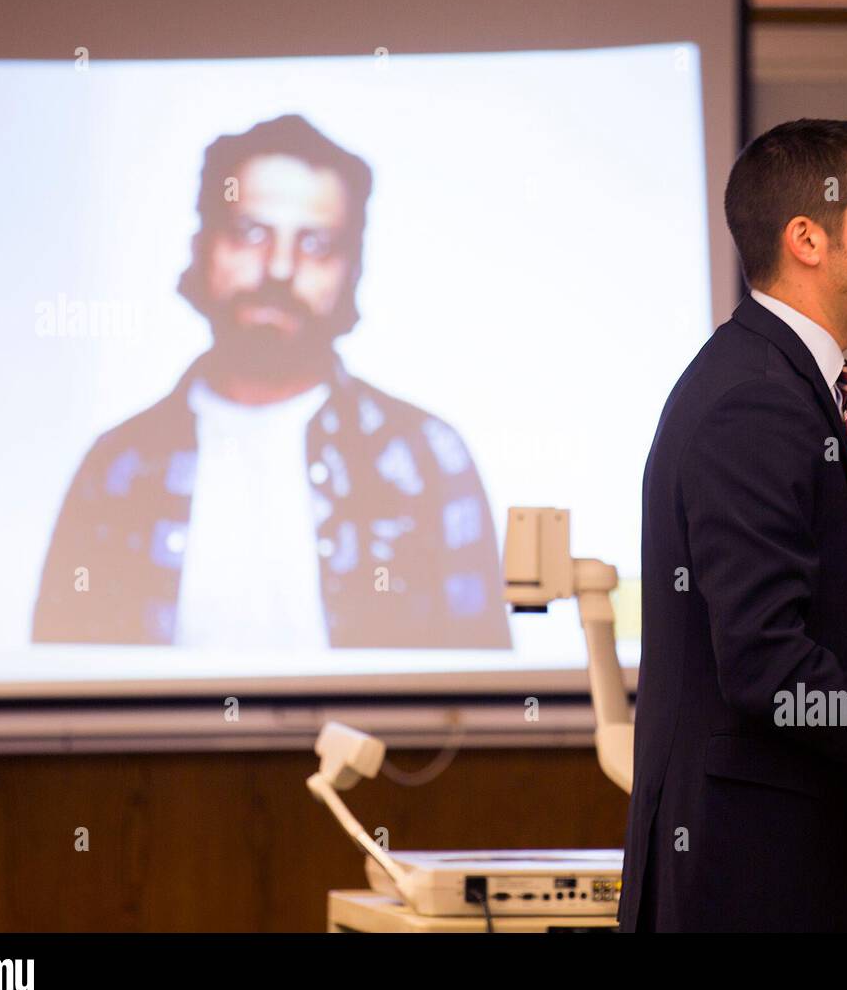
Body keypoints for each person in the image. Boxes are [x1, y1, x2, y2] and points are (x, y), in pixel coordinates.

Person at [618, 119, 847, 933]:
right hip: (746, 888)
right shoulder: (756, 397)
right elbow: (766, 667)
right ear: (807, 240)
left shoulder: (776, 377)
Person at [32, 114, 511, 650]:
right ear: (202, 246)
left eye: (316, 245)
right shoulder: (119, 466)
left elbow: (480, 688)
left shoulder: (424, 458)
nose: (280, 268)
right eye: (250, 234)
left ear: (352, 269)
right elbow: (62, 681)